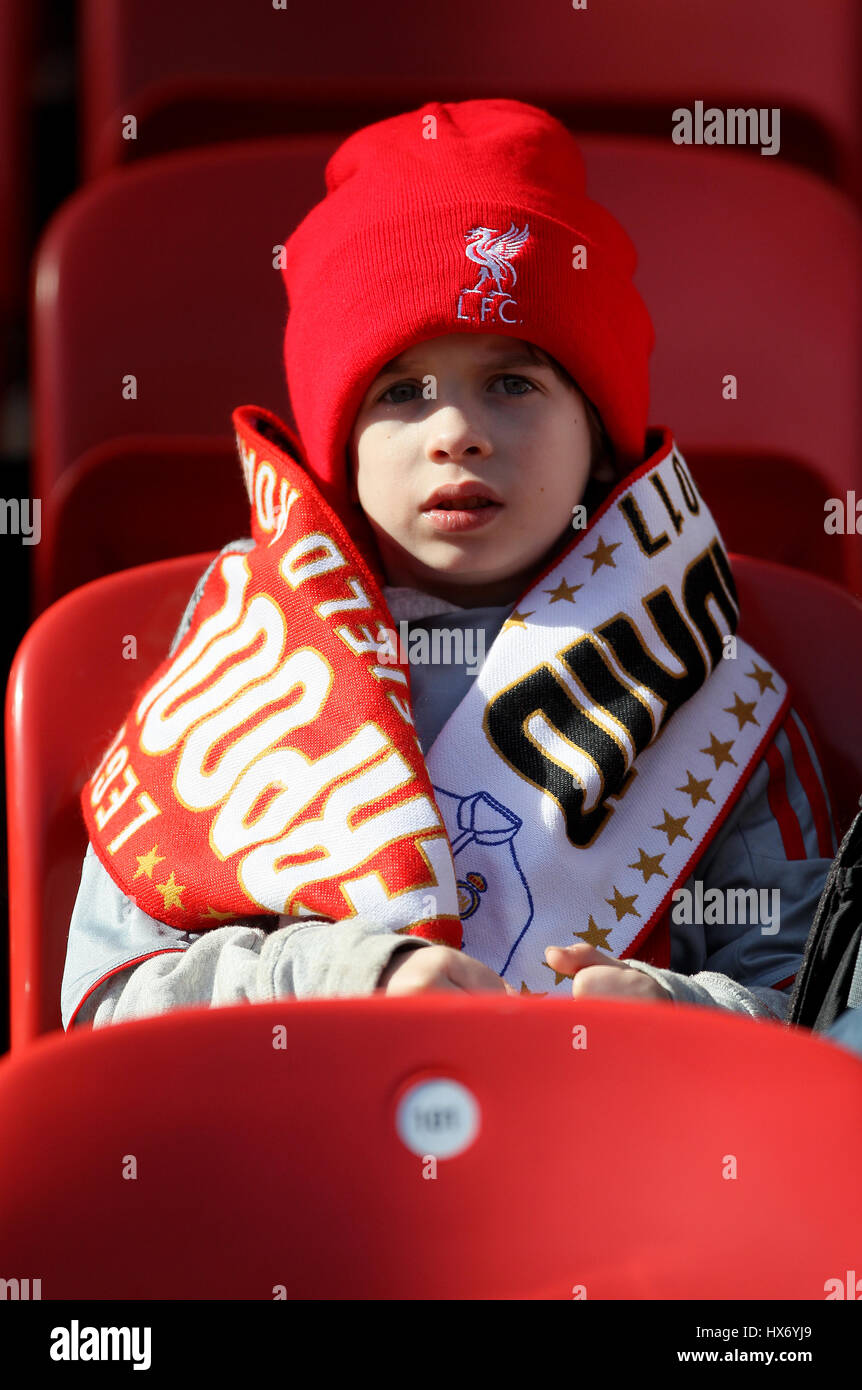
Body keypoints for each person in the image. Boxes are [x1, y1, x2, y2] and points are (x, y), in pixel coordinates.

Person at [61, 98, 837, 1032]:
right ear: (337, 443)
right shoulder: (235, 664)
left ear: (597, 435)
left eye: (514, 383)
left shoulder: (707, 683)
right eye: (401, 391)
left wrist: (675, 1019)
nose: (458, 434)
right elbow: (109, 1001)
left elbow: (819, 1007)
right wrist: (333, 975)